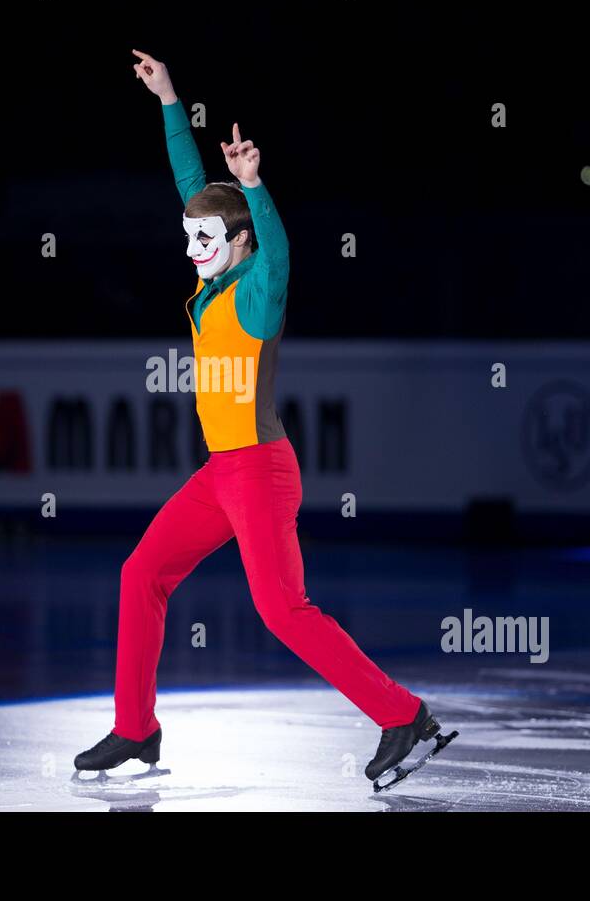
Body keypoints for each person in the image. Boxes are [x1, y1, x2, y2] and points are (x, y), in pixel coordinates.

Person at [74, 50, 444, 785]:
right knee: (141, 573)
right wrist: (170, 102)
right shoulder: (213, 277)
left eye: (206, 239)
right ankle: (136, 728)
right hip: (220, 474)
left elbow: (277, 253)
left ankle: (405, 717)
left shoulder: (255, 291)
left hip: (260, 474)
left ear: (238, 241)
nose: (193, 247)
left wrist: (255, 186)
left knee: (283, 613)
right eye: (190, 239)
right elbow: (192, 194)